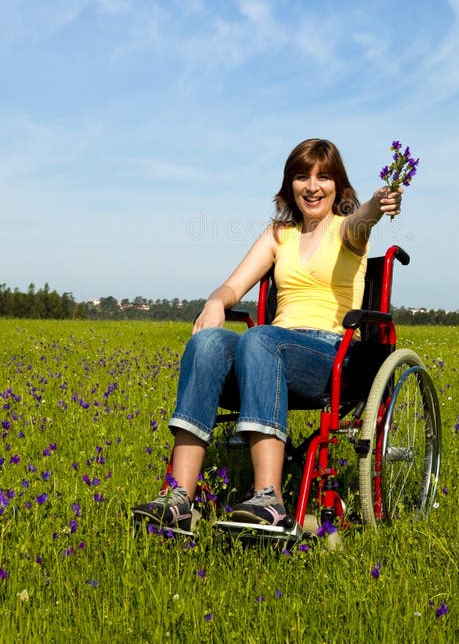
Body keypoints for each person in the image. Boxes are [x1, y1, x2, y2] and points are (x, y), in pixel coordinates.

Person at [132, 139, 402, 532]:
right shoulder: (279, 235)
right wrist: (215, 303)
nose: (312, 186)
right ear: (289, 184)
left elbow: (365, 218)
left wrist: (378, 203)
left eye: (323, 177)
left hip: (329, 353)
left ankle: (268, 499)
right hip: (271, 350)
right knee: (207, 342)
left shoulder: (348, 231)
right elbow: (231, 287)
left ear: (338, 186)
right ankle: (178, 499)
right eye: (302, 176)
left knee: (260, 338)